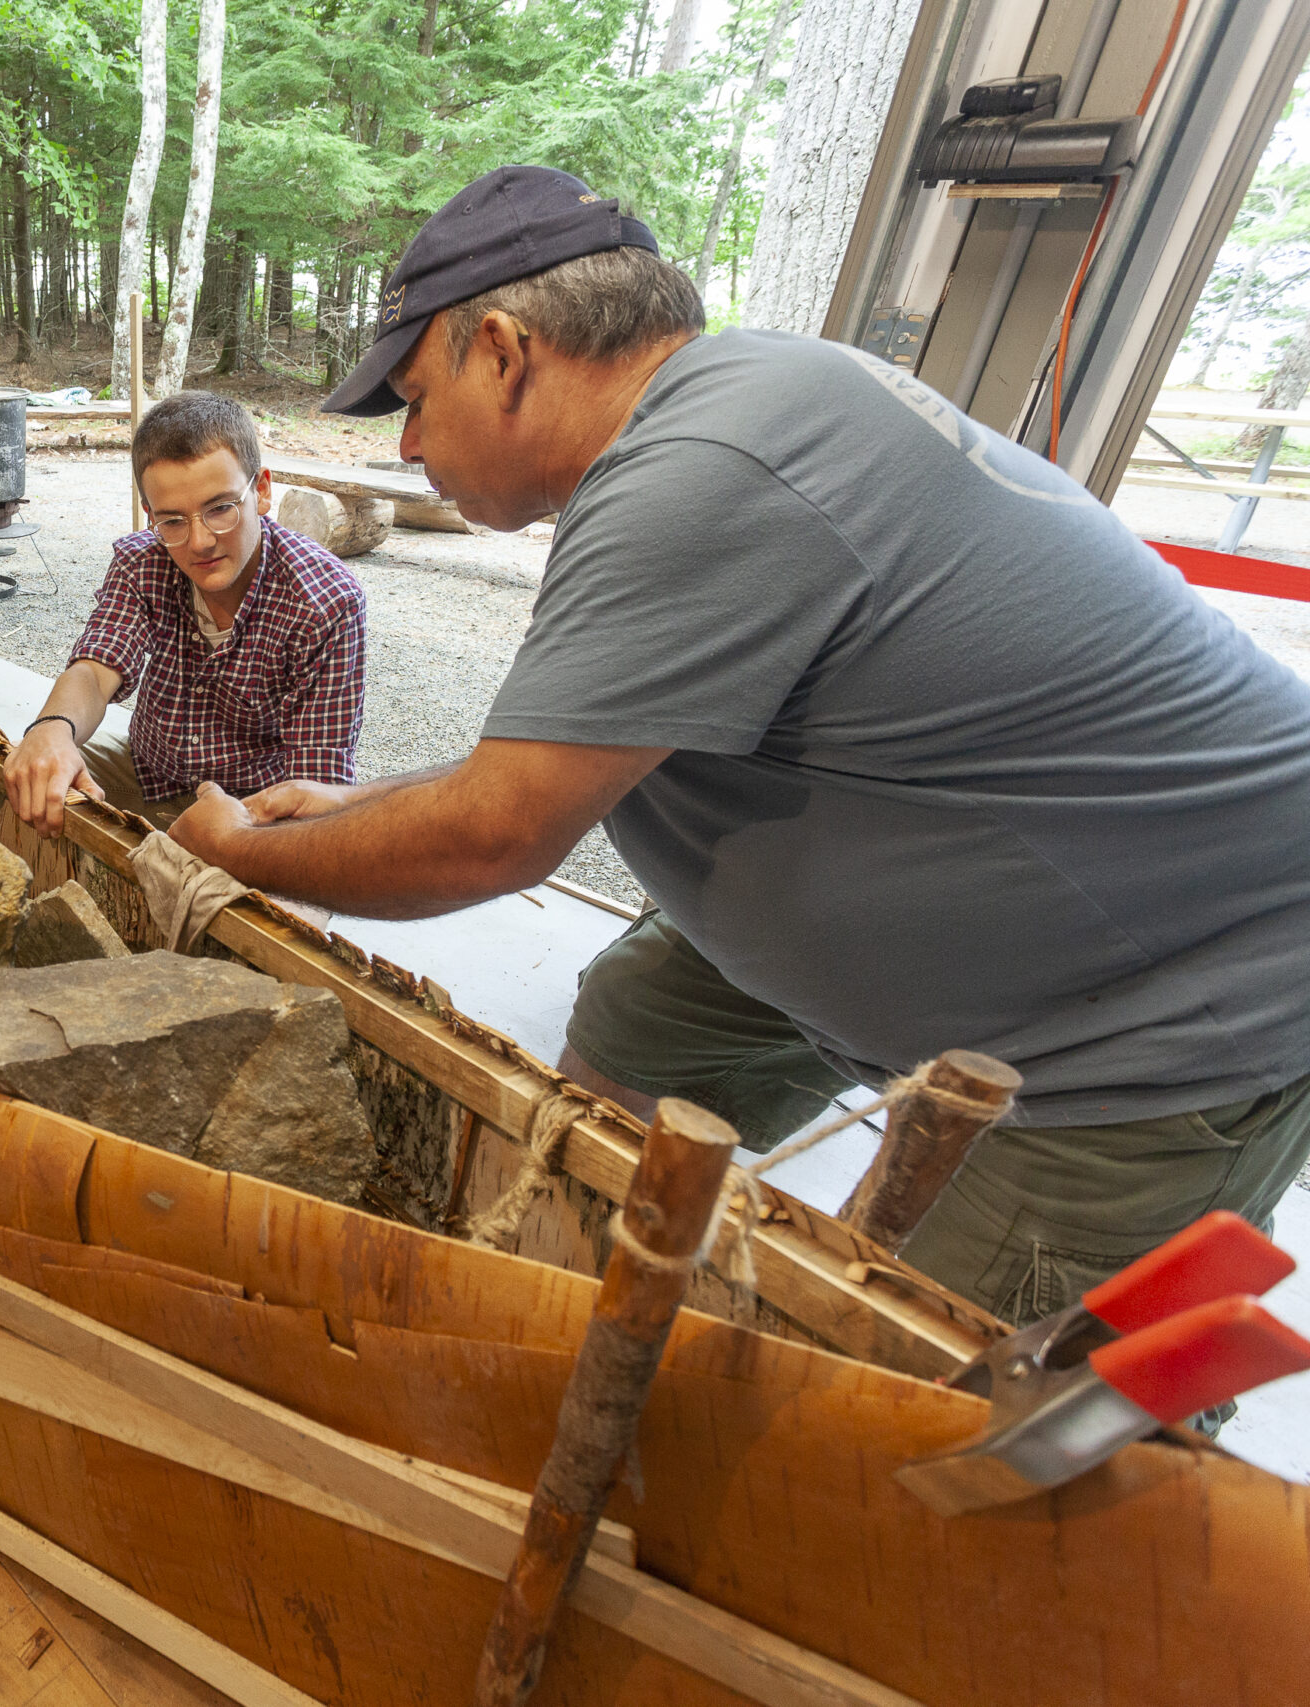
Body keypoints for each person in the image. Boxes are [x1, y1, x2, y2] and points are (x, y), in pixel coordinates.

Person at [167, 164, 1310, 1328]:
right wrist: (358, 802)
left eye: (414, 399)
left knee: (931, 1391)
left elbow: (495, 838)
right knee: (635, 1028)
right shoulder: (749, 393)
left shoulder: (703, 471)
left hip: (1148, 1007)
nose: (409, 446)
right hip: (947, 885)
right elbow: (575, 753)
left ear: (504, 351)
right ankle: (570, 1295)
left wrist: (237, 857)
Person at [4, 390, 367, 834]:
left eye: (220, 509)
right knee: (30, 778)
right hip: (149, 773)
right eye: (173, 520)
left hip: (256, 809)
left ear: (263, 490)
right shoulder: (142, 561)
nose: (200, 542)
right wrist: (52, 729)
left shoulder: (325, 601)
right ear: (149, 514)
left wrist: (233, 836)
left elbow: (316, 784)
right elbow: (96, 672)